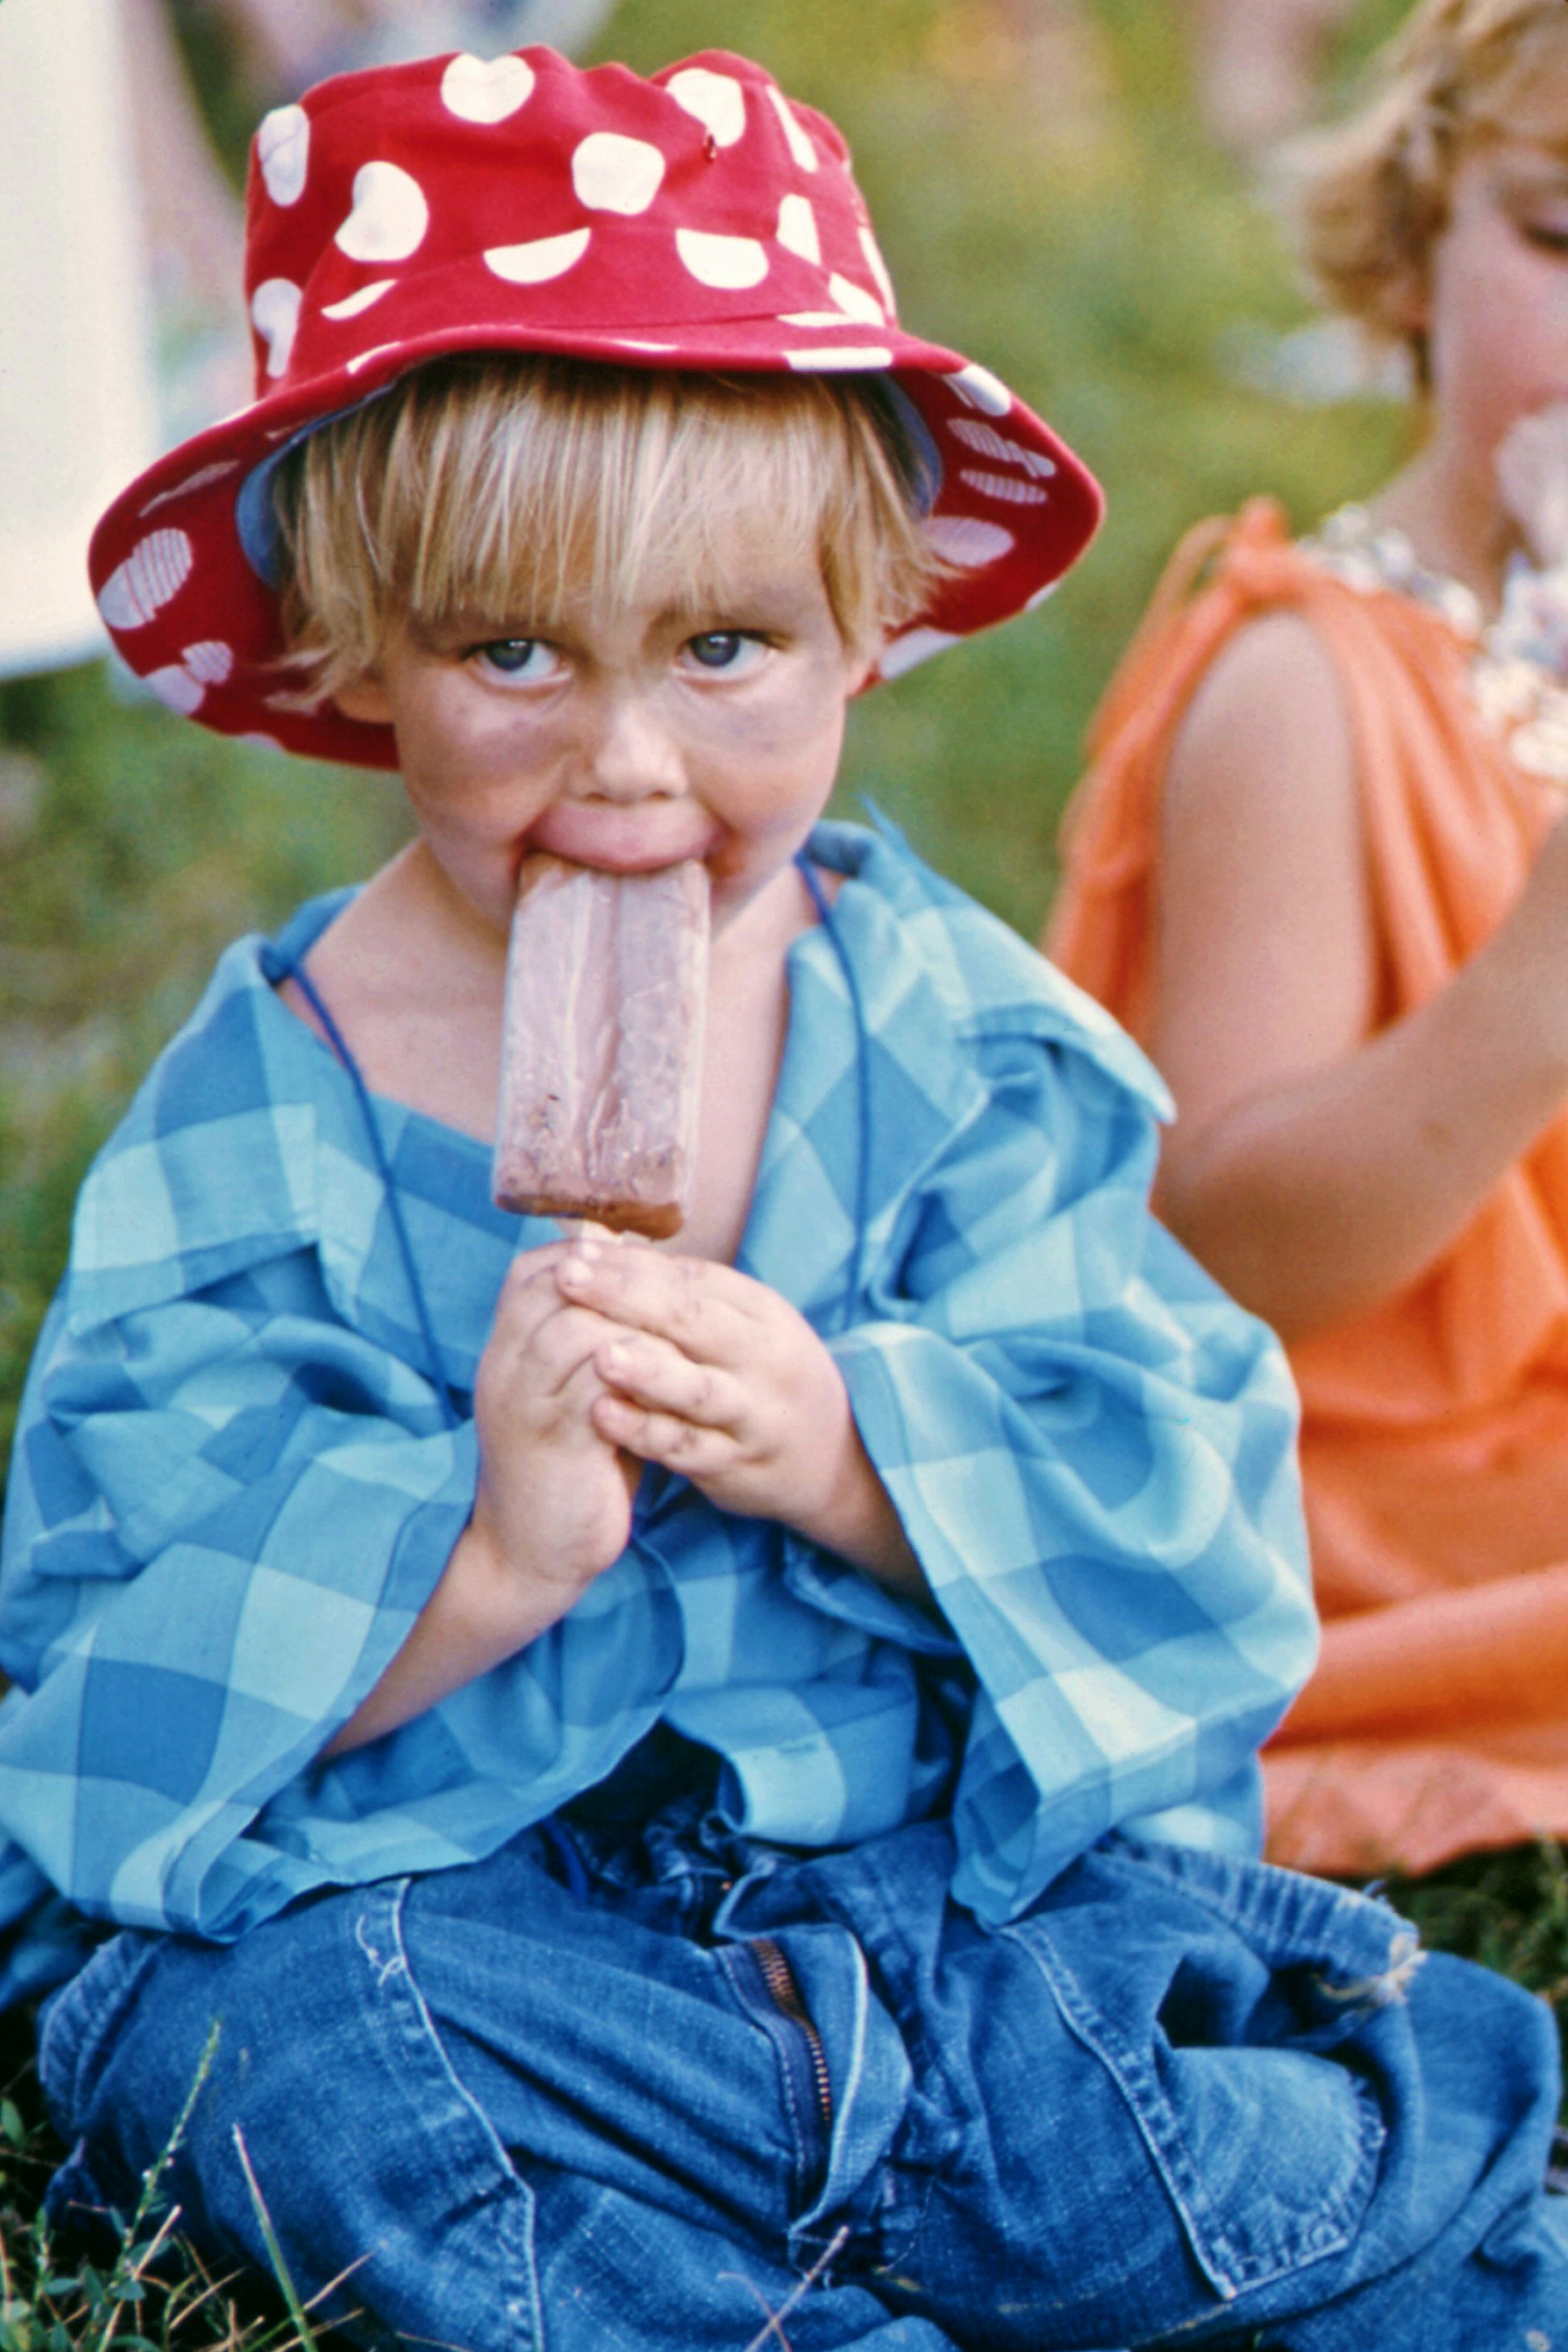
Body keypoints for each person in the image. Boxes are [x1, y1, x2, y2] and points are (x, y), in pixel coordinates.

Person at [3, 39, 1566, 2352]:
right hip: (465, 1909)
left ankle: (998, 2192)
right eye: (510, 652)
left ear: (868, 631)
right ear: (354, 653)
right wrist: (481, 1543)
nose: (624, 762)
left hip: (923, 1882)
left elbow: (1186, 1528)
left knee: (1121, 2025)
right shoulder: (272, 1116)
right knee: (287, 2058)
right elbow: (93, 1686)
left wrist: (852, 1452)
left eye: (720, 649)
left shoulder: (957, 1047)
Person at [1049, 0, 1568, 1886]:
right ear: (1412, 242)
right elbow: (1226, 1250)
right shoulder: (1306, 679)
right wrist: (1539, 978)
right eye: (1559, 241)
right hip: (1362, 1486)